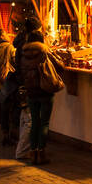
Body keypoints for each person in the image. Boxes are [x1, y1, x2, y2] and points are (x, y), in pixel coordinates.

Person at [18, 29, 59, 165]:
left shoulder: (23, 53)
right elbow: (60, 66)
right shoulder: (44, 51)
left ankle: (33, 152)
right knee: (44, 122)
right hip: (44, 90)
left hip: (30, 91)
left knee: (35, 121)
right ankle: (41, 152)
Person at [10, 17, 41, 162]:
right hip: (29, 83)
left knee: (24, 116)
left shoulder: (20, 43)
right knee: (29, 119)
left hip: (22, 82)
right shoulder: (31, 47)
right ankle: (23, 150)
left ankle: (23, 148)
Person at [0, 29, 17, 146]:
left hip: (0, 82)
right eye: (5, 33)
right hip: (10, 80)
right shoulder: (9, 47)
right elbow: (15, 61)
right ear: (2, 35)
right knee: (12, 108)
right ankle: (11, 135)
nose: (7, 35)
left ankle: (5, 134)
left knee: (4, 110)